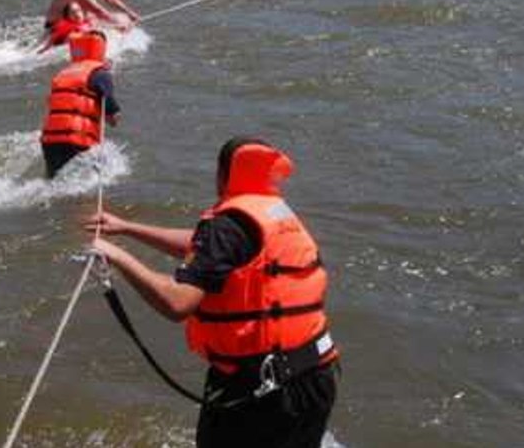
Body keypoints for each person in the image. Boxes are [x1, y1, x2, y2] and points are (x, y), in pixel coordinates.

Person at [82, 137, 339, 448]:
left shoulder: (227, 226)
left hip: (263, 390)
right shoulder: (275, 215)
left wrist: (117, 256)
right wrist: (127, 228)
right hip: (315, 377)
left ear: (222, 174)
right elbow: (206, 248)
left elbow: (178, 302)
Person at [40, 30, 120, 178]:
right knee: (98, 176)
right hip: (77, 140)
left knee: (53, 183)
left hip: (50, 141)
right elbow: (113, 119)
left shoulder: (62, 74)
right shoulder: (101, 74)